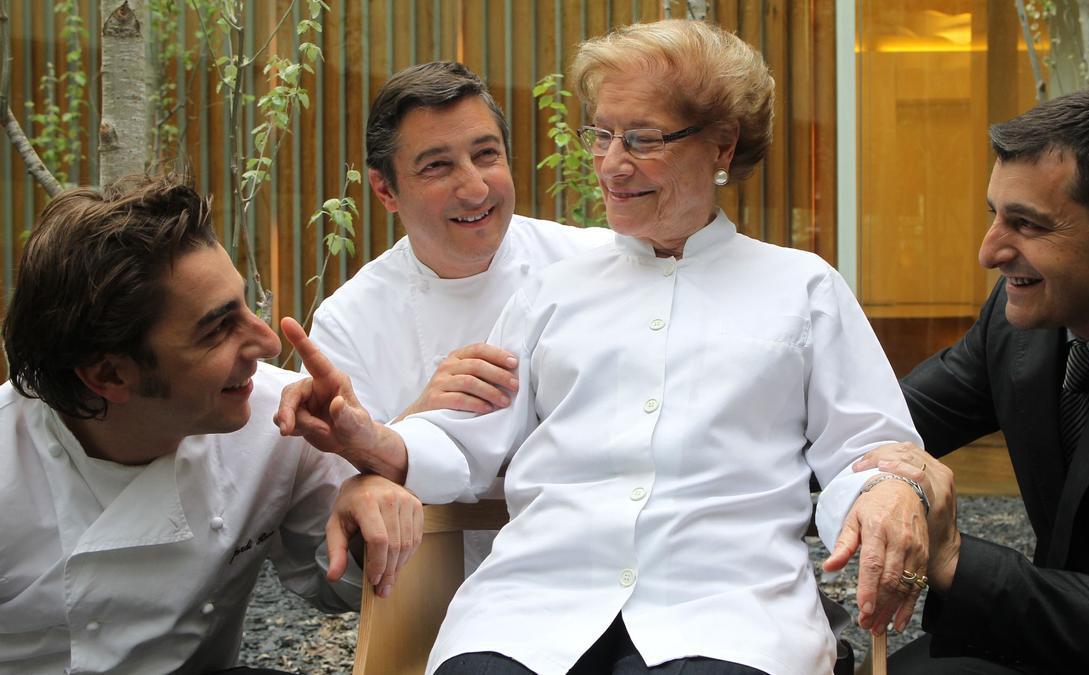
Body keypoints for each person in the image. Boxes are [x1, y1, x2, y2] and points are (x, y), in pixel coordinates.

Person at [278, 20, 929, 675]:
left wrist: (887, 491)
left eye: (642, 139)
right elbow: (465, 442)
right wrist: (375, 439)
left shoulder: (803, 288)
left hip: (729, 608)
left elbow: (872, 451)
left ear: (722, 145)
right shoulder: (550, 291)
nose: (612, 163)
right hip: (538, 603)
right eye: (603, 134)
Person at [0, 176, 421, 674]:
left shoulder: (279, 417)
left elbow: (339, 586)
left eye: (245, 305)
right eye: (218, 328)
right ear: (109, 374)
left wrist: (371, 487)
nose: (267, 344)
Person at [861, 90, 1089, 673]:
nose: (989, 251)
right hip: (1058, 627)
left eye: (1026, 224)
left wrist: (952, 557)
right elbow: (892, 423)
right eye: (993, 214)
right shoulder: (1025, 315)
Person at [309, 60, 611, 572]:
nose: (474, 189)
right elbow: (332, 553)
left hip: (607, 564)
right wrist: (417, 421)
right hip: (441, 598)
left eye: (486, 154)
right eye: (437, 166)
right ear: (385, 190)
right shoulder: (349, 323)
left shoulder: (597, 265)